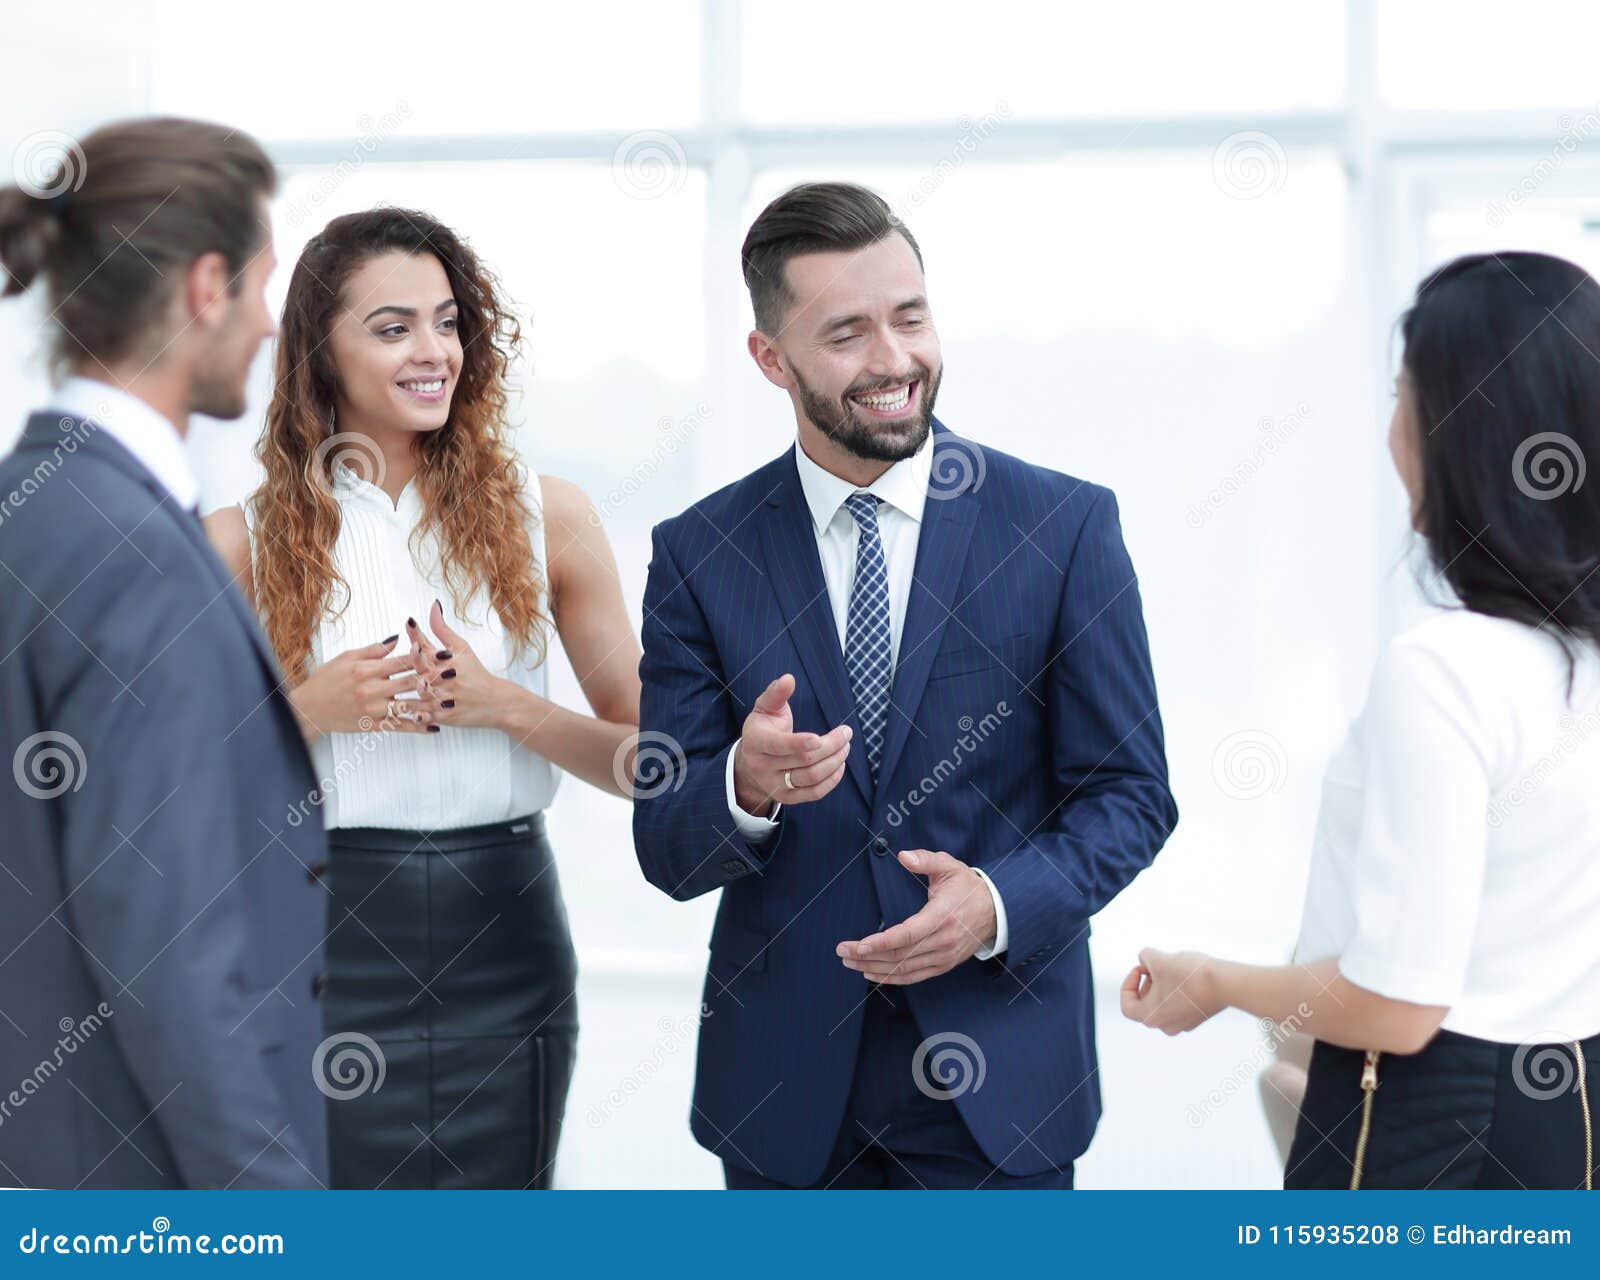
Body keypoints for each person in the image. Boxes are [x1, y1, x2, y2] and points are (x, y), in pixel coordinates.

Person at [633, 182, 1178, 1188]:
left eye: (910, 318)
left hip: (999, 1087)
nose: (893, 361)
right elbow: (666, 846)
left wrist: (998, 901)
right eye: (844, 334)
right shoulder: (699, 553)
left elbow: (1132, 793)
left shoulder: (1061, 528)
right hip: (786, 1098)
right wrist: (741, 786)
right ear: (770, 357)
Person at [1123, 252, 1600, 1191]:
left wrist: (1218, 981)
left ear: (1462, 432)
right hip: (1568, 1112)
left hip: (1430, 1122)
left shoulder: (1442, 671)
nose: (1391, 432)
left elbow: (1398, 1004)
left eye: (1403, 396)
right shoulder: (1576, 660)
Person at [203, 206, 641, 1189]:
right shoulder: (239, 540)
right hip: (320, 947)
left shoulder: (551, 516)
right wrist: (305, 710)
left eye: (447, 321)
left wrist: (508, 707)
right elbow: (164, 792)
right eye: (393, 326)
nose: (433, 350)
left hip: (508, 945)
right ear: (321, 349)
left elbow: (651, 759)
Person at [0, 117, 328, 1188]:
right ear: (204, 288)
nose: (272, 328)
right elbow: (167, 941)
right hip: (141, 1177)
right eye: (262, 286)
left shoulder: (34, 509)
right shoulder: (132, 550)